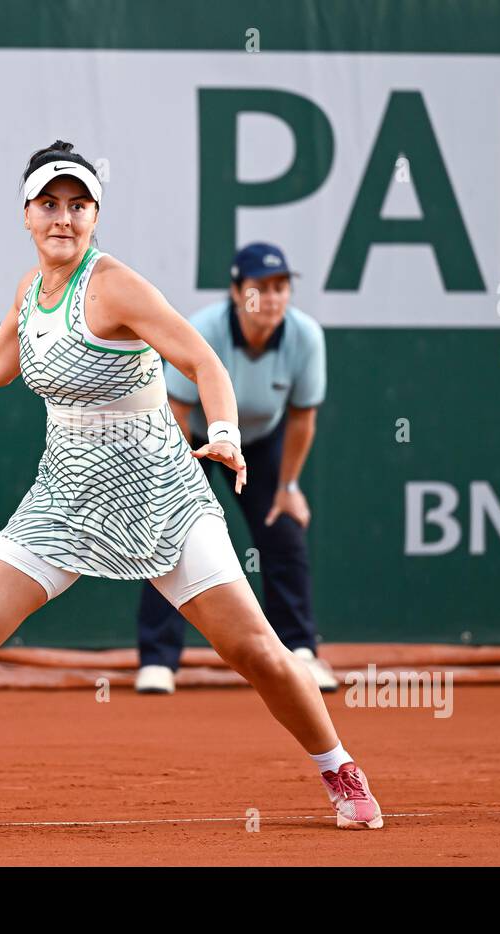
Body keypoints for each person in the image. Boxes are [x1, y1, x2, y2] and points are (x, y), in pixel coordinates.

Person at [0, 141, 382, 831]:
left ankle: (339, 768)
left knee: (256, 652)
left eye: (78, 205)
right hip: (64, 499)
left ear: (95, 216)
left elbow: (202, 360)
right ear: (26, 213)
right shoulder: (31, 290)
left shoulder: (115, 284)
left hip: (160, 496)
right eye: (49, 204)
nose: (64, 217)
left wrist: (227, 434)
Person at [134, 243, 339, 695]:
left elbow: (303, 417)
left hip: (261, 443)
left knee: (282, 529)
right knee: (168, 533)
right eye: (259, 289)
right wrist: (175, 474)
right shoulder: (205, 330)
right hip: (199, 439)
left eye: (281, 288)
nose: (272, 298)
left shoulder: (306, 337)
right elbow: (177, 407)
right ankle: (158, 660)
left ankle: (301, 651)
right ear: (235, 293)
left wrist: (288, 485)